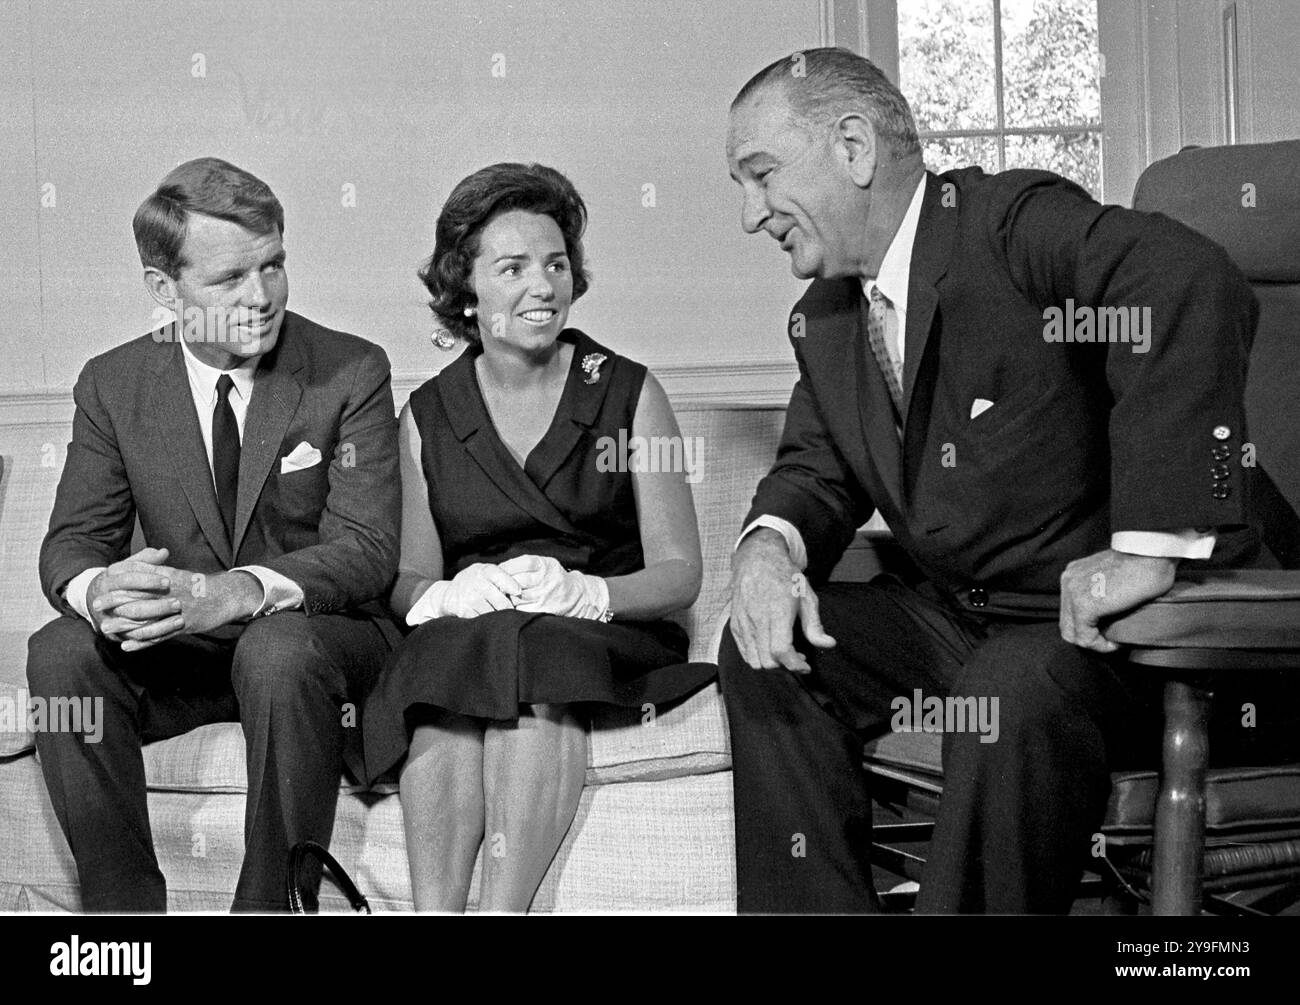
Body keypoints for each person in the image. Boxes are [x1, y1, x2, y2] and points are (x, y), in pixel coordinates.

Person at [719, 47, 1263, 913]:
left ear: (855, 148)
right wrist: (764, 551)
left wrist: (1151, 543)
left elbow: (1187, 278)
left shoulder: (1007, 226)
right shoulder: (825, 319)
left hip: (1130, 634)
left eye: (760, 175)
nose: (751, 215)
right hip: (969, 624)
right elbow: (816, 470)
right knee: (769, 649)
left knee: (1004, 693)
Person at [27, 157, 401, 912]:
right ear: (165, 291)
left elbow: (367, 550)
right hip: (186, 656)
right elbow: (69, 545)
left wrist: (235, 592)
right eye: (230, 279)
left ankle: (272, 908)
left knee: (277, 647)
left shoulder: (349, 369)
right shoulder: (113, 383)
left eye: (274, 266)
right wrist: (100, 590)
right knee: (59, 649)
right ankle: (123, 919)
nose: (262, 296)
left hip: (315, 645)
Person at [363, 162, 714, 912]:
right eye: (514, 267)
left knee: (534, 648)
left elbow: (681, 571)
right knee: (451, 654)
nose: (544, 286)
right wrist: (445, 594)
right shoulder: (426, 414)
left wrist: (589, 593)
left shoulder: (630, 391)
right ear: (466, 289)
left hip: (600, 635)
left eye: (556, 264)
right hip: (476, 631)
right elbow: (404, 577)